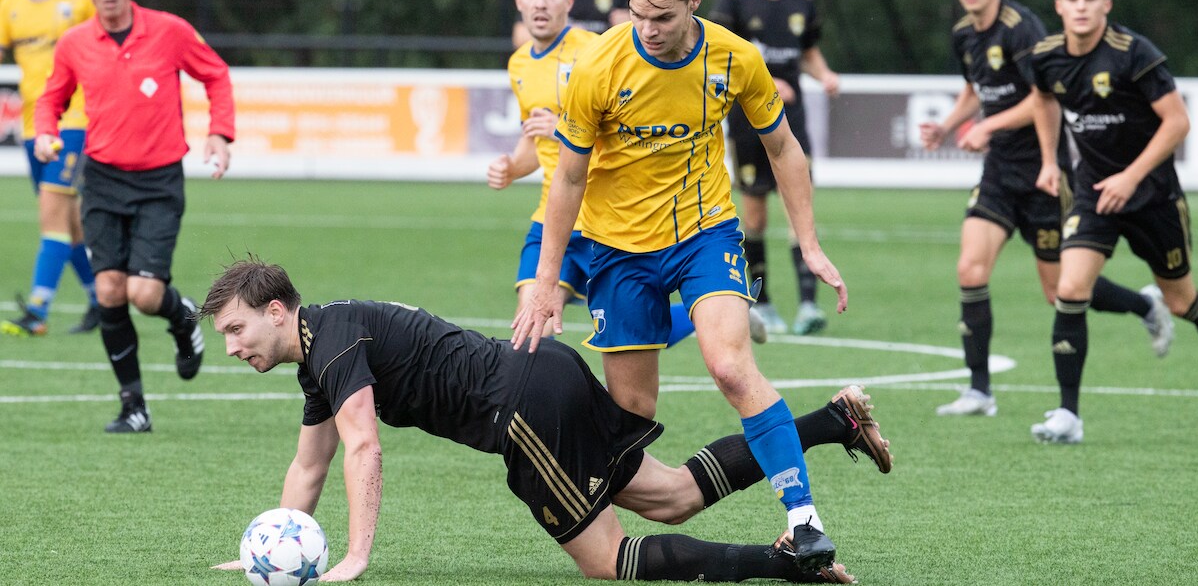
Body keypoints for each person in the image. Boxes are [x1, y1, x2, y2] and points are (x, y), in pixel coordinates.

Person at [200, 259, 892, 582]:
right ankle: (834, 422)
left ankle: (786, 566)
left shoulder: (338, 340)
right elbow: (311, 463)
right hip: (542, 377)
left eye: (237, 330)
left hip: (523, 410)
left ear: (278, 310)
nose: (232, 348)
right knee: (674, 495)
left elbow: (362, 450)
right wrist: (269, 550)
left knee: (610, 563)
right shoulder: (323, 348)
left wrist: (354, 557)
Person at [510, 0, 849, 572]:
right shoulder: (599, 67)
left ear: (695, 0)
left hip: (703, 233)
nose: (647, 28)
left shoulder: (735, 57)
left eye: (661, 17)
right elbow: (567, 179)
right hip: (617, 253)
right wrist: (544, 283)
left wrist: (811, 244)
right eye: (638, 15)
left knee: (730, 367)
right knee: (632, 426)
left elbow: (783, 146)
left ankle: (803, 520)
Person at [919, 0, 1172, 418]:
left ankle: (1144, 305)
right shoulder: (962, 34)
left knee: (1059, 291)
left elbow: (1043, 99)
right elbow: (975, 90)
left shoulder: (1023, 29)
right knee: (970, 269)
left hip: (1044, 174)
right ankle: (979, 391)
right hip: (999, 172)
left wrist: (989, 126)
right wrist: (949, 125)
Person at [491, 0, 764, 346]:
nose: (540, 3)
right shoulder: (519, 64)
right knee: (531, 331)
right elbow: (537, 143)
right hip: (552, 217)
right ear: (518, 2)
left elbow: (613, 131)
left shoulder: (597, 52)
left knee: (633, 327)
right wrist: (512, 167)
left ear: (569, 1)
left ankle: (715, 315)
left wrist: (563, 130)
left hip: (602, 220)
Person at [33, 0, 235, 433]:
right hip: (101, 179)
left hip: (159, 182)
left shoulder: (169, 31)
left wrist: (220, 132)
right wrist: (45, 131)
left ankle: (181, 317)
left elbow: (216, 75)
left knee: (144, 294)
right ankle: (134, 406)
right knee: (108, 289)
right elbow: (50, 98)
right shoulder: (75, 43)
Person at [1027, 0, 1194, 443]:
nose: (1081, 7)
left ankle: (1158, 305)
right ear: (1059, 6)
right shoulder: (1046, 56)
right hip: (1094, 192)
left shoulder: (1133, 53)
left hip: (1153, 195)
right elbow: (1042, 99)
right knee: (1071, 288)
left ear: (1106, 5)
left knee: (1183, 302)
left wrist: (1132, 176)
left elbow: (1177, 122)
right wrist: (1048, 161)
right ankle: (1068, 416)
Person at [709, 0, 840, 337]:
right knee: (755, 216)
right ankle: (763, 303)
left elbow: (808, 53)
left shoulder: (803, 0)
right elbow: (721, 54)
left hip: (790, 122)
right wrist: (766, 81)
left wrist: (826, 74)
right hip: (746, 121)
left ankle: (808, 304)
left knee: (799, 202)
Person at [0, 0, 100, 337]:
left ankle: (38, 310)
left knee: (52, 216)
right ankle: (99, 300)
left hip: (76, 120)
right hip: (33, 126)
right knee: (68, 225)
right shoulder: (9, 0)